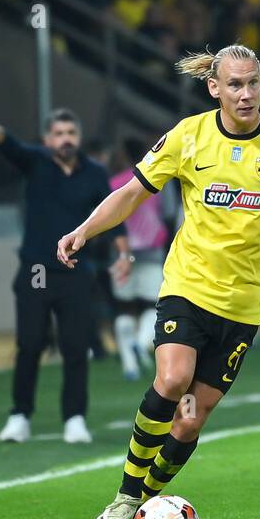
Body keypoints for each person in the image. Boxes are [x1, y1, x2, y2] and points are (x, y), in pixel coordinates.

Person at [55, 43, 260, 519]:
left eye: (254, 83)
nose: (246, 94)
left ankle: (137, 509)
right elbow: (132, 193)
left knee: (189, 419)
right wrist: (85, 230)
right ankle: (125, 498)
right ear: (215, 88)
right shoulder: (188, 135)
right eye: (235, 85)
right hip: (188, 286)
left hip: (243, 307)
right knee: (173, 379)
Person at [0, 108, 114, 445]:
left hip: (75, 272)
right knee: (29, 345)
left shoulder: (95, 173)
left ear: (79, 137)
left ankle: (74, 419)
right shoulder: (35, 162)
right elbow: (6, 143)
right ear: (46, 139)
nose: (65, 139)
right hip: (37, 271)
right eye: (58, 133)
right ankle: (19, 416)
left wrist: (124, 253)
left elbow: (111, 213)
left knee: (75, 348)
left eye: (70, 132)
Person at [108, 158, 173, 380]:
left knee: (123, 308)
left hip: (121, 253)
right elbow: (169, 214)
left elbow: (105, 216)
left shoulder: (113, 183)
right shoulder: (161, 180)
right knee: (152, 304)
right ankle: (141, 341)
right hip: (152, 251)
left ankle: (129, 364)